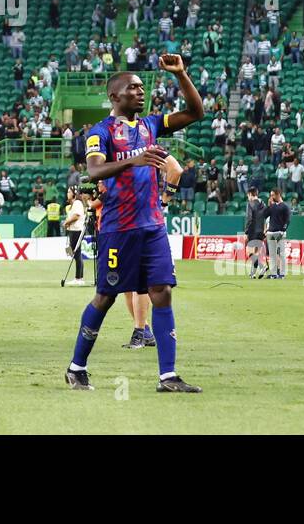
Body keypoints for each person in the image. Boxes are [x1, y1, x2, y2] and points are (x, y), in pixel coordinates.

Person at [65, 53, 206, 394]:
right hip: (117, 227)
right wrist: (136, 160)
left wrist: (182, 74)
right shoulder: (101, 132)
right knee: (105, 296)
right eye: (133, 88)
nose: (141, 92)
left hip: (152, 226)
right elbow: (95, 170)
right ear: (115, 97)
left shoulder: (151, 125)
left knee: (162, 292)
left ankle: (168, 376)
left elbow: (196, 112)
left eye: (142, 87)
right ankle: (76, 367)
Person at [264, 189, 290, 279]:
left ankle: (282, 273)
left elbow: (288, 220)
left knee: (281, 253)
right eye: (271, 195)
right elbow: (264, 215)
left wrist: (283, 230)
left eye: (273, 195)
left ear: (278, 194)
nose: (271, 197)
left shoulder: (285, 206)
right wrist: (268, 205)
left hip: (279, 232)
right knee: (272, 254)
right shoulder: (272, 206)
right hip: (270, 232)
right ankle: (273, 273)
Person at [63, 193, 86, 285]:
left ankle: (79, 278)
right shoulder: (74, 203)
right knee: (77, 253)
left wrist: (66, 222)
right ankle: (79, 277)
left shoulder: (77, 203)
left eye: (69, 192)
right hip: (74, 230)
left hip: (77, 230)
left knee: (76, 253)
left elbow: (76, 216)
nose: (67, 194)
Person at [244, 188, 267, 279]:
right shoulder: (263, 204)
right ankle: (253, 273)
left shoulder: (250, 204)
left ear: (250, 194)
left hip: (253, 230)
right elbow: (266, 217)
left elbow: (249, 219)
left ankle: (262, 267)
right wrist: (265, 230)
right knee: (256, 253)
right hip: (261, 231)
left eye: (248, 195)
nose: (247, 197)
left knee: (249, 252)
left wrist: (246, 232)